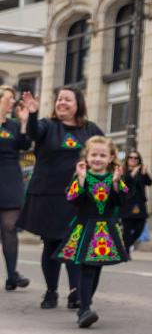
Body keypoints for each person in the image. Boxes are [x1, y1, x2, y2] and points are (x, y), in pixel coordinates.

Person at [17, 87, 105, 310]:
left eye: (67, 99)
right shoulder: (48, 125)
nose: (62, 103)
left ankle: (76, 292)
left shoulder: (90, 129)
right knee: (52, 244)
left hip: (78, 195)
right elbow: (33, 134)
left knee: (74, 243)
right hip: (48, 194)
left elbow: (104, 151)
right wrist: (33, 114)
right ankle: (51, 291)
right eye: (59, 99)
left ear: (78, 104)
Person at [57, 136, 130, 328]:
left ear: (111, 157)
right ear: (87, 157)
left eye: (102, 155)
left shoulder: (114, 177)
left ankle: (86, 305)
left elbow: (121, 201)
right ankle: (85, 308)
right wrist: (80, 180)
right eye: (94, 155)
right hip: (85, 228)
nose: (97, 159)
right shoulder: (82, 176)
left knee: (96, 268)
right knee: (87, 268)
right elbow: (72, 199)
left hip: (105, 231)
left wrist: (115, 183)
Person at [1, 87, 33, 291]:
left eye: (14, 99)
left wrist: (23, 123)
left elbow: (25, 145)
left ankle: (12, 274)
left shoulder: (12, 125)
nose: (13, 102)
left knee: (10, 228)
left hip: (10, 178)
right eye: (9, 99)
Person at [119, 150, 152, 253]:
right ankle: (127, 250)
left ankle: (127, 245)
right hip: (127, 204)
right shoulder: (123, 171)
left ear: (139, 160)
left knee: (139, 228)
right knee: (127, 230)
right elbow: (125, 182)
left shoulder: (141, 172)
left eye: (136, 158)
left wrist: (145, 173)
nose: (133, 160)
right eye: (131, 158)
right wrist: (134, 171)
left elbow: (149, 182)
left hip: (140, 204)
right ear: (127, 159)